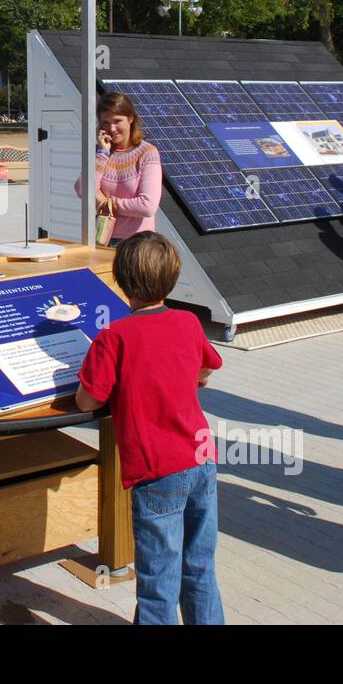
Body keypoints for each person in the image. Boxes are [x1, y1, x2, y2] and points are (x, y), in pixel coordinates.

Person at [76, 232, 224, 625]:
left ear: (121, 280)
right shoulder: (189, 321)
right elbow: (206, 369)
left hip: (156, 471)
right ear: (172, 277)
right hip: (201, 459)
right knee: (200, 567)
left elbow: (87, 401)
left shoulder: (114, 338)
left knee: (159, 577)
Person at [75, 91, 162, 244]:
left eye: (117, 121)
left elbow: (147, 206)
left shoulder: (147, 153)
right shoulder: (100, 154)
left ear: (131, 118)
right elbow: (82, 190)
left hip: (138, 244)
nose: (112, 128)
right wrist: (102, 154)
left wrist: (106, 203)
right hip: (103, 239)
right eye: (105, 123)